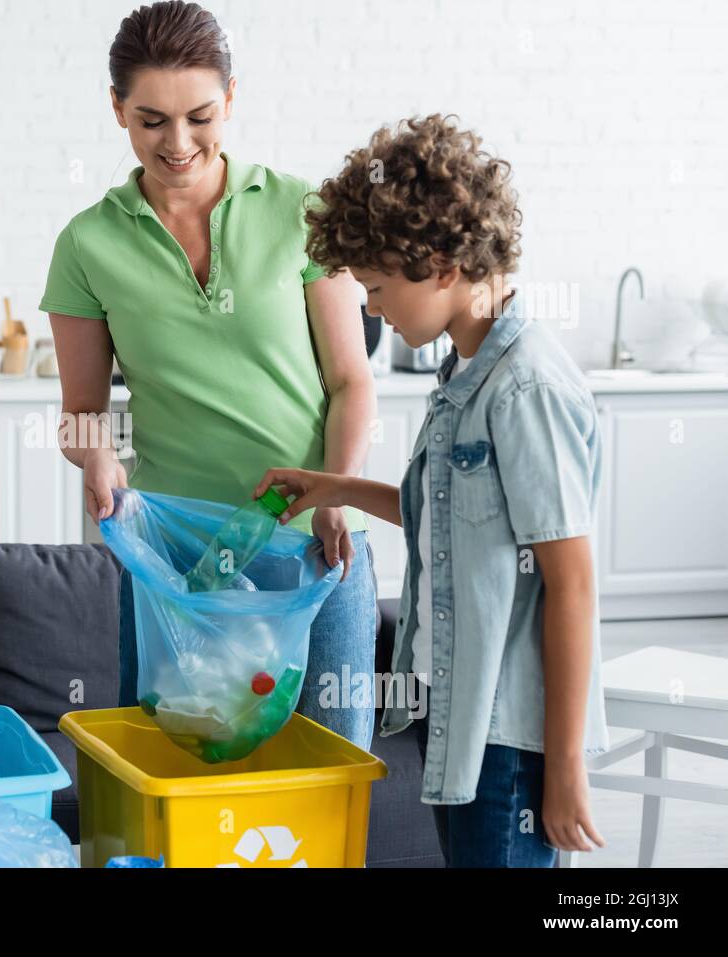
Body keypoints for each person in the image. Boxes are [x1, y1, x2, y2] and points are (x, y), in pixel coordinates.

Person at [257, 115, 609, 866]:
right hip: (465, 722)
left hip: (513, 736)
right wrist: (334, 486)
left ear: (443, 264)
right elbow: (442, 515)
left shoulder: (526, 390)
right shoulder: (464, 373)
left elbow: (572, 586)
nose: (372, 309)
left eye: (378, 288)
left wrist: (568, 769)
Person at [41, 0, 379, 747]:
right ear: (117, 110)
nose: (179, 142)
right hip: (176, 566)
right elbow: (81, 409)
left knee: (326, 766)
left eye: (200, 115)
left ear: (231, 99)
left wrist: (334, 493)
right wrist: (96, 455)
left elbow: (352, 380)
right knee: (179, 765)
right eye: (151, 119)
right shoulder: (88, 243)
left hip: (314, 540)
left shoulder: (302, 211)